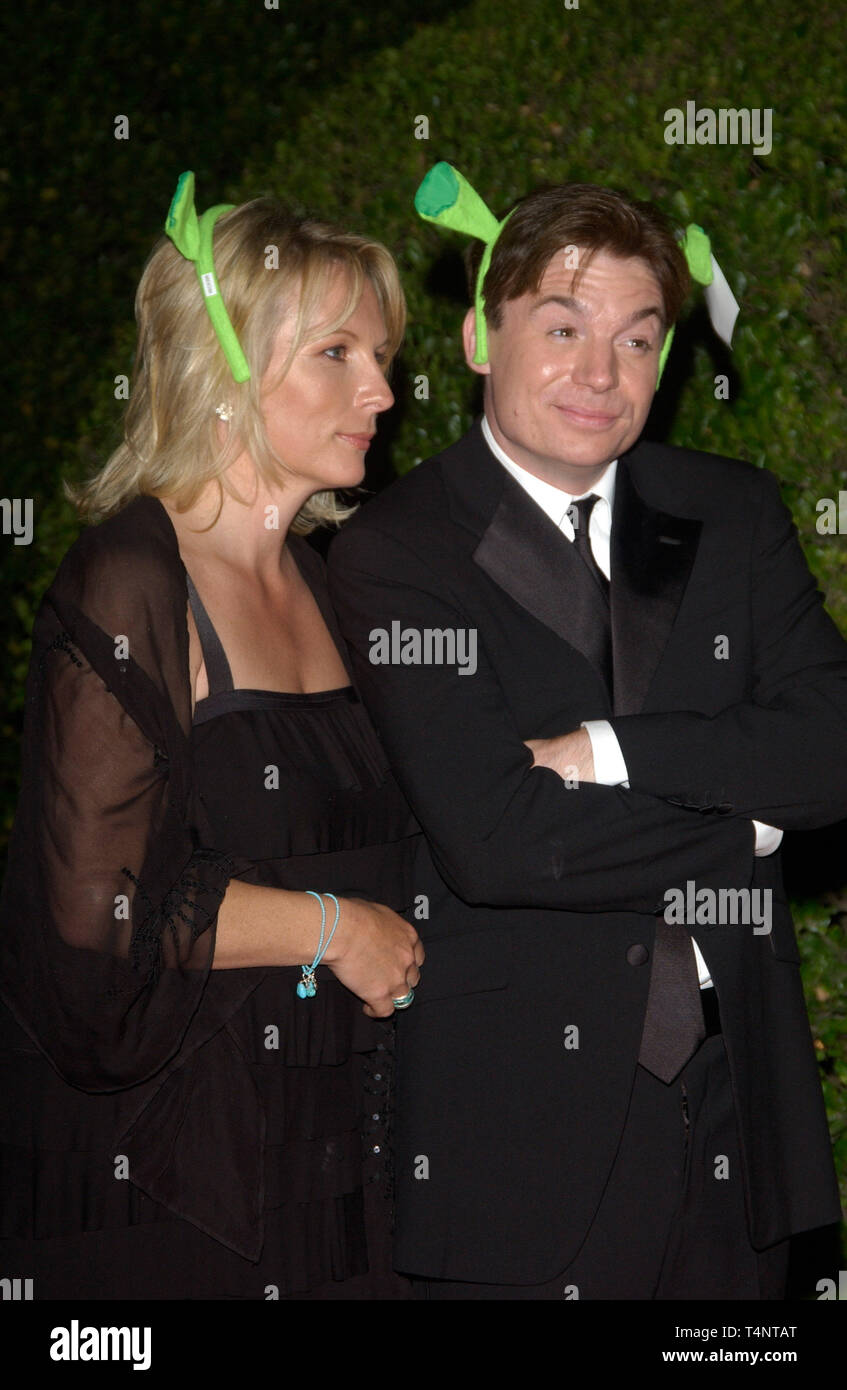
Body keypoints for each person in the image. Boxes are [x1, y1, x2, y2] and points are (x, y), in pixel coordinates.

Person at [327, 164, 847, 1299]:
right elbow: (502, 839)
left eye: (637, 338)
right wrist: (754, 823)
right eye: (562, 328)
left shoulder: (734, 511)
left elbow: (835, 746)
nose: (600, 374)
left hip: (733, 1113)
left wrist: (615, 753)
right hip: (514, 1149)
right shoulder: (395, 554)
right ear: (478, 335)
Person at [0, 173, 425, 1300]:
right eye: (337, 354)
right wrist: (331, 928)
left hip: (331, 1149)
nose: (382, 389)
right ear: (224, 372)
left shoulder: (327, 585)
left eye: (378, 355)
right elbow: (93, 918)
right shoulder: (132, 577)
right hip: (179, 1174)